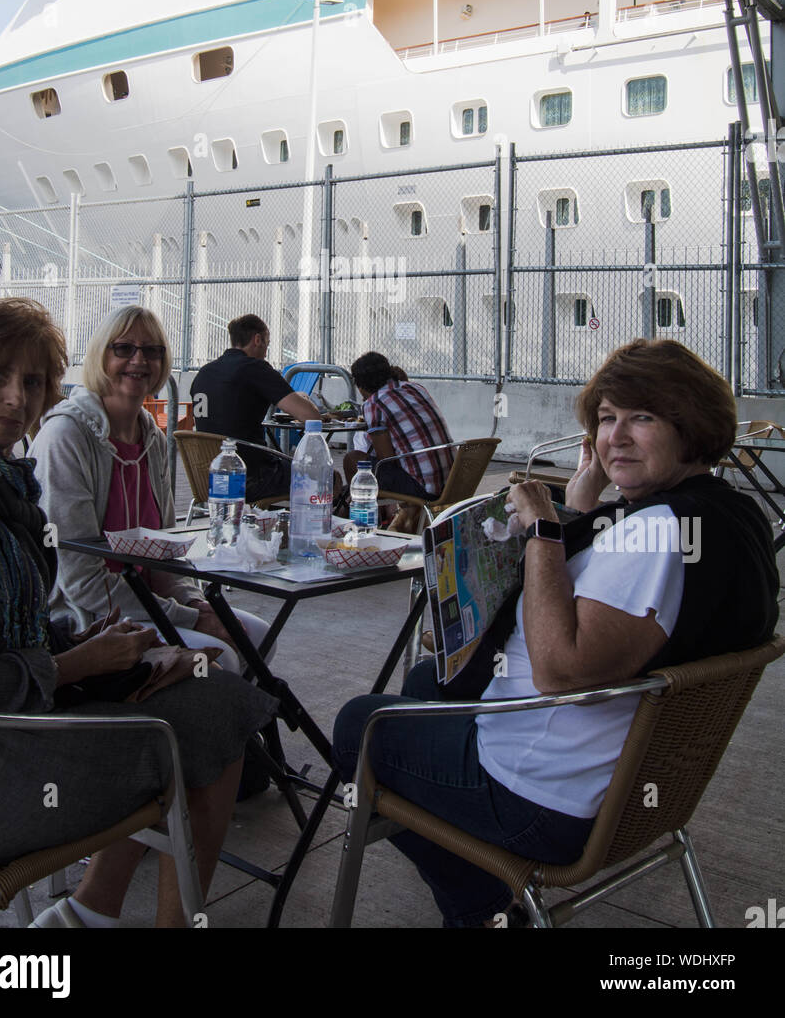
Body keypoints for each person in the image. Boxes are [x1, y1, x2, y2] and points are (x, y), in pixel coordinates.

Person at [334, 339, 779, 928]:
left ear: (691, 425)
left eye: (641, 418)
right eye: (606, 419)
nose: (615, 437)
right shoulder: (728, 514)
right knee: (425, 679)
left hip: (541, 799)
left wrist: (544, 528)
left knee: (357, 725)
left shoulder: (654, 536)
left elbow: (560, 669)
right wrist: (582, 505)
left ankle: (478, 906)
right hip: (631, 786)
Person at [0, 298, 276, 928]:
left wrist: (136, 649)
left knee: (210, 697)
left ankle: (89, 915)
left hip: (13, 722)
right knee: (209, 722)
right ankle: (97, 912)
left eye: (32, 382)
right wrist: (75, 664)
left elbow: (17, 625)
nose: (17, 399)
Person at [30, 306, 272, 676]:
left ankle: (229, 729)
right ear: (100, 356)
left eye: (152, 350)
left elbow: (162, 551)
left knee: (259, 635)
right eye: (123, 348)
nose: (139, 360)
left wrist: (196, 604)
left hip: (146, 600)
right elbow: (80, 581)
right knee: (220, 655)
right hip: (86, 620)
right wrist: (190, 618)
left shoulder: (153, 439)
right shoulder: (66, 437)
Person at [190, 313, 323, 501]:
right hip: (251, 477)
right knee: (325, 477)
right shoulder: (255, 368)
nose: (266, 352)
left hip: (209, 477)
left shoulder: (203, 374)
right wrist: (303, 398)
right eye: (267, 345)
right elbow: (311, 416)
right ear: (257, 339)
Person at [343, 352, 454, 501]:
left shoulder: (374, 404)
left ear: (360, 385)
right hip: (452, 482)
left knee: (352, 459)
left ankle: (363, 513)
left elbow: (386, 460)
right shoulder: (415, 388)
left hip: (424, 489)